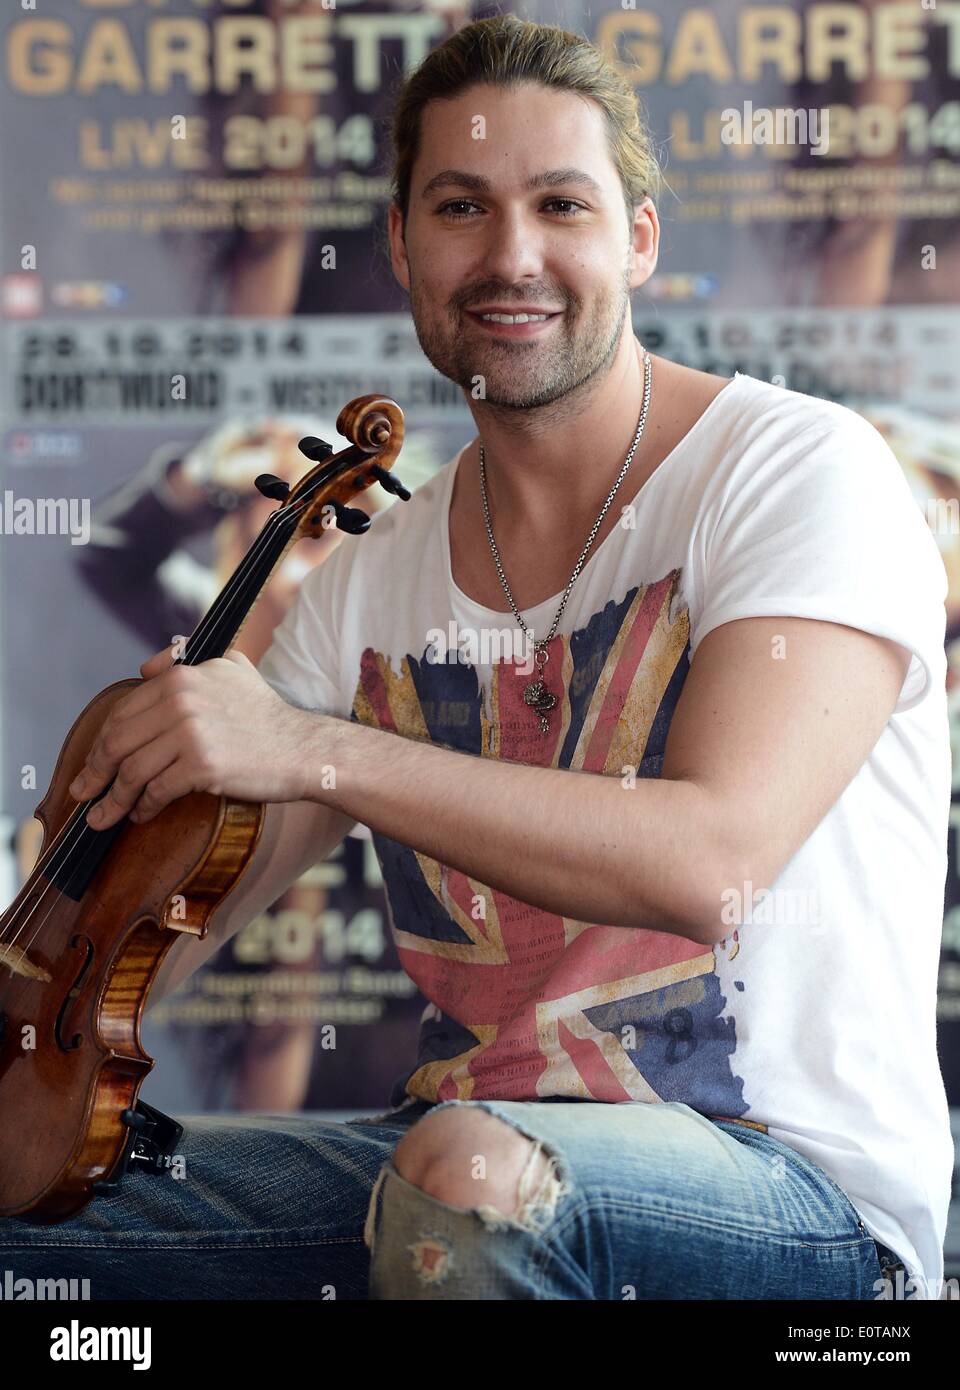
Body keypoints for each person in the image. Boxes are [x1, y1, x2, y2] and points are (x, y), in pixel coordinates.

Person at [0, 14, 950, 1302]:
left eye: (563, 204)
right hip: (444, 1165)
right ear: (401, 244)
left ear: (641, 238)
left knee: (463, 1181)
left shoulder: (796, 470)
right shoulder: (371, 583)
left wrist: (321, 751)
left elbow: (715, 864)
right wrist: (122, 819)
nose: (513, 257)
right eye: (461, 206)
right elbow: (188, 913)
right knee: (48, 1234)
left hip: (792, 1196)